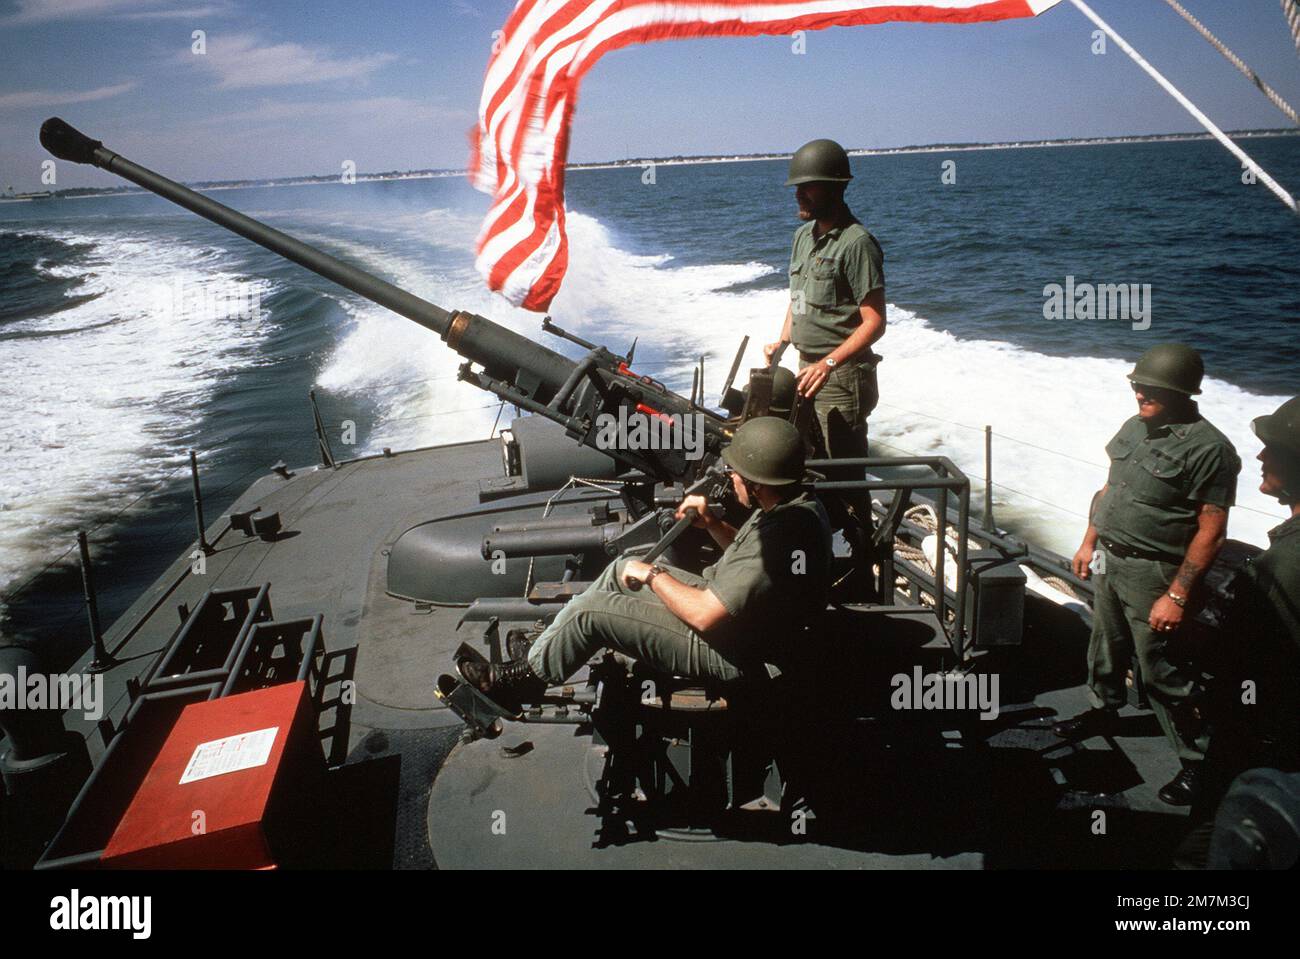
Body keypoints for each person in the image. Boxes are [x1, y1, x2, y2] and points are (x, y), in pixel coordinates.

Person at [456, 417, 833, 710]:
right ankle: (545, 651)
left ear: (757, 483)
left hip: (738, 653)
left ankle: (522, 683)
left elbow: (705, 615)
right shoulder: (791, 505)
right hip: (744, 627)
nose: (731, 477)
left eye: (737, 473)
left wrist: (653, 576)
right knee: (626, 564)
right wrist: (713, 524)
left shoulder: (785, 530)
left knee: (595, 613)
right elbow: (748, 554)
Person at [1054, 343, 1240, 806]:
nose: (1140, 394)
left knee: (1162, 670)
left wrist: (1176, 596)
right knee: (1105, 646)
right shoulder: (1135, 428)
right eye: (1138, 386)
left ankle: (1197, 762)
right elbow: (1110, 488)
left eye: (1151, 388)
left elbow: (1212, 530)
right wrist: (1089, 540)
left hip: (1156, 573)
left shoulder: (1210, 450)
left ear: (1181, 392)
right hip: (1111, 561)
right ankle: (1103, 710)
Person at [763, 138, 886, 583]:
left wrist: (829, 363)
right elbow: (797, 299)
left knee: (844, 478)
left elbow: (874, 322)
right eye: (797, 187)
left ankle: (861, 574)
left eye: (807, 187)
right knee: (811, 468)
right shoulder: (802, 237)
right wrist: (781, 342)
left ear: (834, 188)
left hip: (841, 378)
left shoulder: (857, 244)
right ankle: (823, 562)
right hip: (807, 370)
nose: (798, 194)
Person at [1194, 396, 1300, 821]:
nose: (1260, 454)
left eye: (1272, 447)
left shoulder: (1288, 562)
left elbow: (1260, 662)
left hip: (1262, 742)